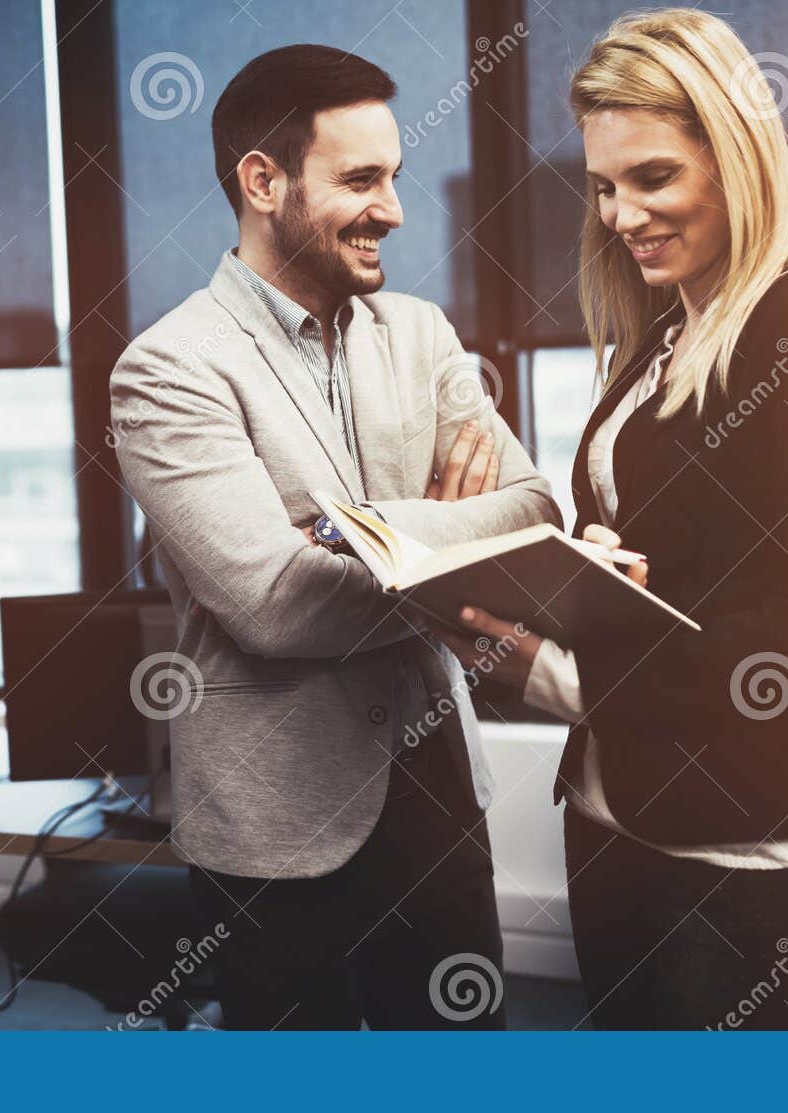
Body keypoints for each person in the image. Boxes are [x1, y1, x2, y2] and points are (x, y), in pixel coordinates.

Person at [429, 9, 788, 1029]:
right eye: (602, 186)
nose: (618, 215)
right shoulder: (656, 339)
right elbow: (671, 568)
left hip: (742, 864)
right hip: (613, 824)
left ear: (733, 160)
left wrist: (559, 672)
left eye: (651, 178)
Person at [109, 44, 560, 1030]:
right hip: (278, 832)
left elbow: (533, 512)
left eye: (393, 176)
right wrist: (449, 564)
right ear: (261, 181)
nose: (393, 209)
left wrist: (369, 533)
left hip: (440, 793)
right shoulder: (167, 370)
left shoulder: (421, 334)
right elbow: (274, 604)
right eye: (361, 179)